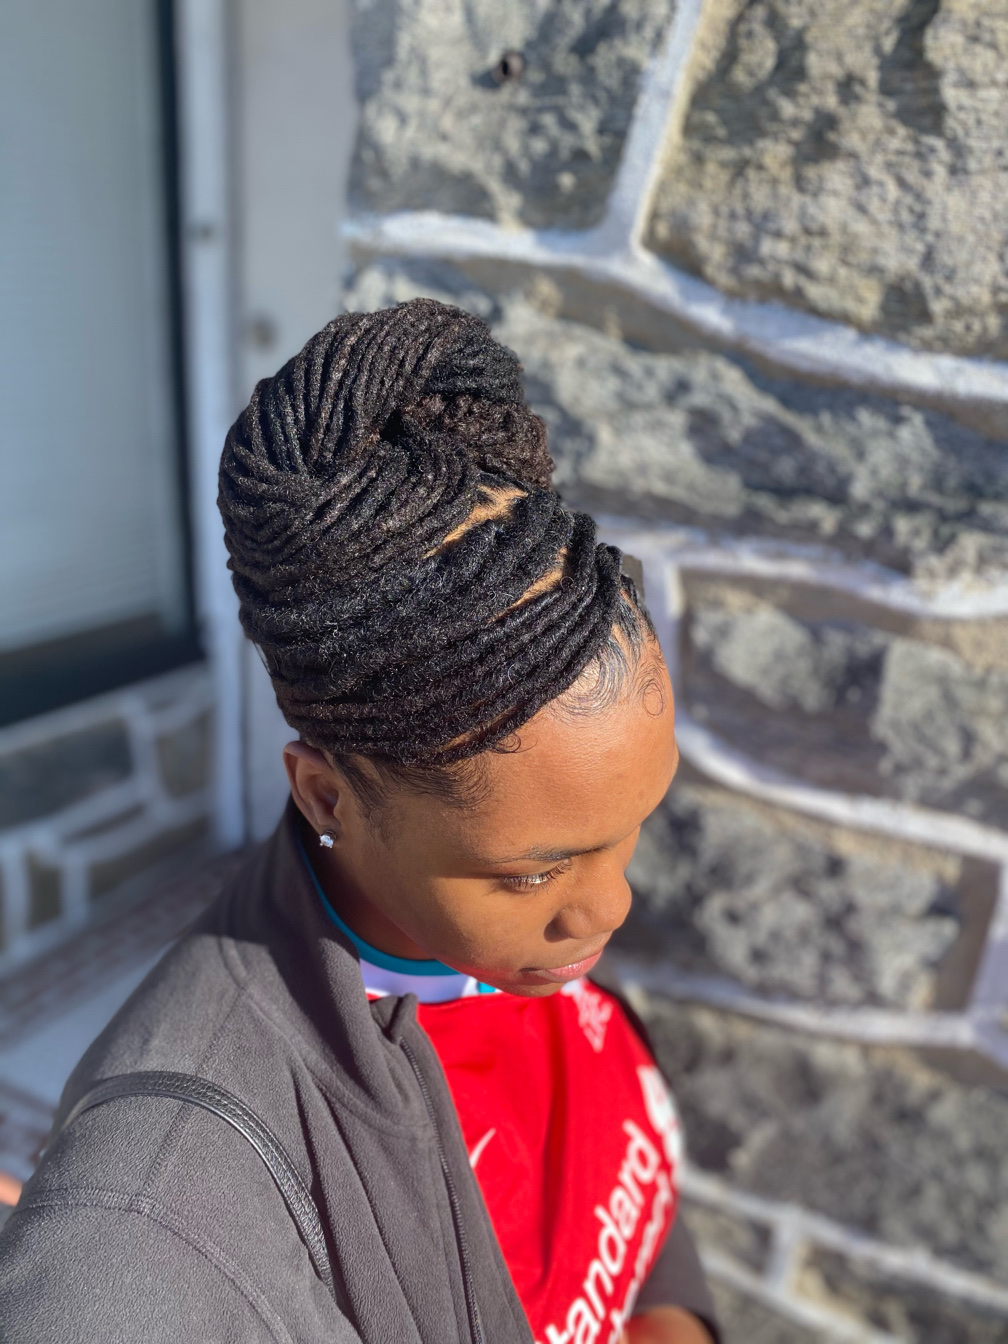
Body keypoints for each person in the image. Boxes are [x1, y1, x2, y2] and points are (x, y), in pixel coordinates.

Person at [0, 299, 718, 1343]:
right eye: (536, 871)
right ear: (327, 797)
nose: (610, 904)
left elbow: (635, 1204)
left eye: (630, 826)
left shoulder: (505, 931)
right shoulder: (161, 1200)